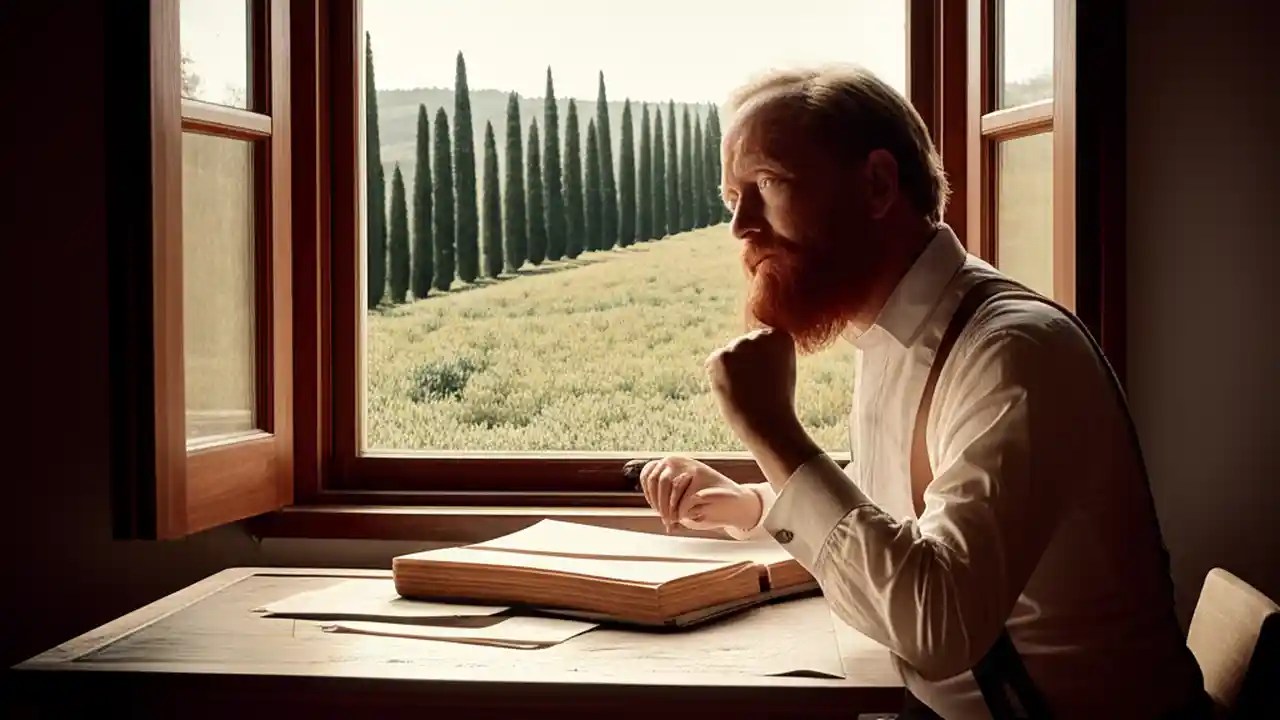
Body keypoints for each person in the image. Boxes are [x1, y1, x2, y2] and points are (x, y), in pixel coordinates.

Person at [637, 66, 1209, 719]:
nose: (740, 225)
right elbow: (901, 510)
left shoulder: (1010, 356)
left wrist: (772, 430)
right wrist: (749, 504)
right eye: (731, 196)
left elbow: (940, 628)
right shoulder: (900, 332)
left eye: (768, 183)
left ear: (877, 184)